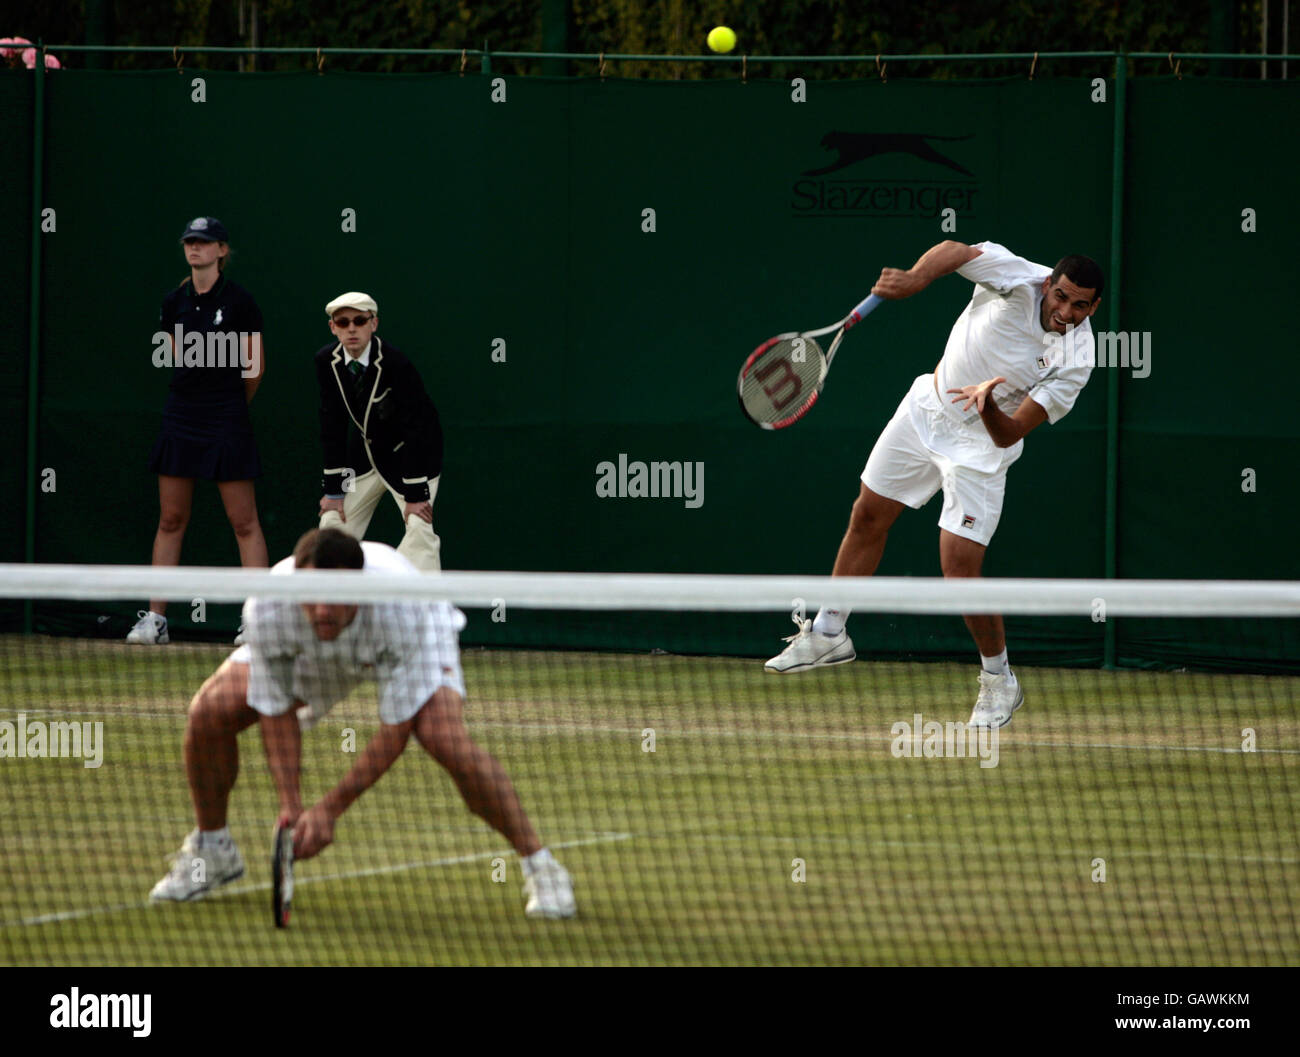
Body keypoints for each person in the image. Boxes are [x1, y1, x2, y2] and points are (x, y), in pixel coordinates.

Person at [148, 528, 575, 919]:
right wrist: (291, 806)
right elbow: (275, 709)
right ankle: (213, 849)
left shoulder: (400, 607)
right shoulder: (271, 606)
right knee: (210, 711)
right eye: (311, 595)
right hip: (312, 650)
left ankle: (541, 865)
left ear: (358, 587)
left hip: (404, 637)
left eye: (335, 596)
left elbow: (397, 728)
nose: (322, 608)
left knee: (443, 737)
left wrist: (329, 809)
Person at [764, 240, 1103, 729]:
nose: (1065, 312)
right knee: (867, 515)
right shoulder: (1018, 277)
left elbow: (1010, 432)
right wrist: (917, 277)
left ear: (1095, 307)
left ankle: (999, 679)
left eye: (1079, 305)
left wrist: (987, 402)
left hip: (982, 446)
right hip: (928, 408)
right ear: (1047, 284)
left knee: (959, 569)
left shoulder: (1078, 358)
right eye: (1061, 296)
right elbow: (956, 250)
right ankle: (829, 631)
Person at [127, 216, 268, 644]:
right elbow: (180, 359)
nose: (195, 248)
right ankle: (155, 621)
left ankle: (257, 621)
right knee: (171, 518)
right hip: (181, 416)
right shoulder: (174, 302)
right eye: (190, 241)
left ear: (222, 251)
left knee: (244, 522)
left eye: (204, 242)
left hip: (227, 416)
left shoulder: (241, 302)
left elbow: (254, 367)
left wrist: (229, 407)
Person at [316, 292, 443, 571]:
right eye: (343, 322)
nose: (351, 328)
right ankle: (325, 591)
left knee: (419, 526)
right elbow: (332, 423)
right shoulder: (326, 360)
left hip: (413, 457)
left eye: (360, 321)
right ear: (333, 327)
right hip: (364, 455)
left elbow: (416, 427)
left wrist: (416, 493)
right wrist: (333, 491)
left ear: (373, 324)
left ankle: (421, 597)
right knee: (332, 522)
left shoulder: (396, 363)